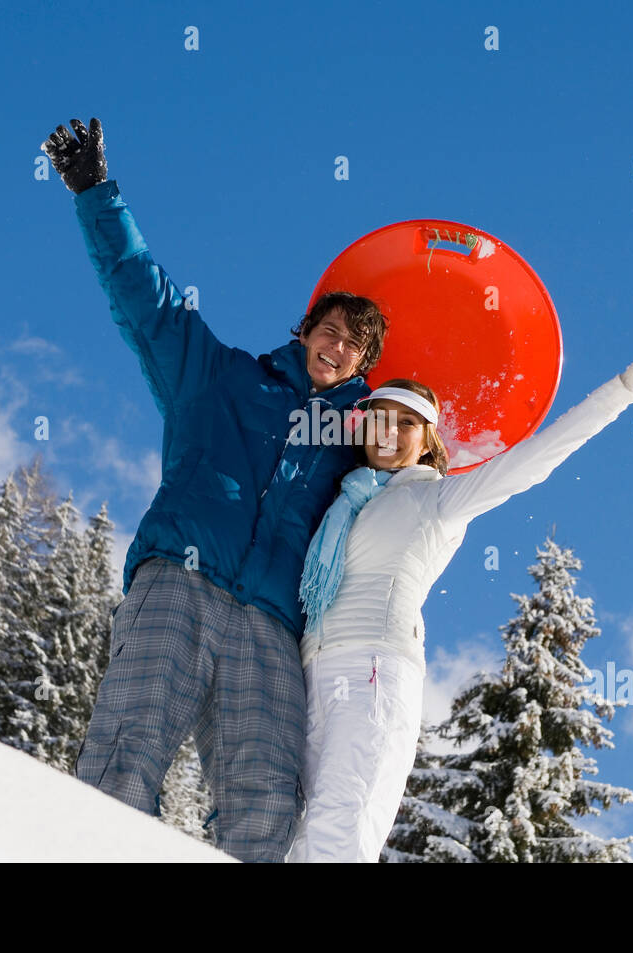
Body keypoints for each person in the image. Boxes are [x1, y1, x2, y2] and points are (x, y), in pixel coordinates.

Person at [41, 117, 390, 862]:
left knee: (265, 805)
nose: (337, 347)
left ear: (363, 366)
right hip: (181, 582)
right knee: (125, 751)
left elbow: (420, 478)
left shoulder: (354, 446)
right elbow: (147, 301)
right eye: (330, 330)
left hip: (270, 624)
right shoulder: (221, 377)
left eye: (354, 346)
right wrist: (97, 194)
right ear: (306, 330)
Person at [286, 333, 633, 862]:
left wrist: (619, 393)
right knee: (297, 827)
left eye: (406, 422)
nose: (389, 430)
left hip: (374, 671)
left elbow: (532, 461)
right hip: (313, 670)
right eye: (379, 417)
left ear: (428, 438)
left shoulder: (436, 497)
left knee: (344, 822)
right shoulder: (347, 499)